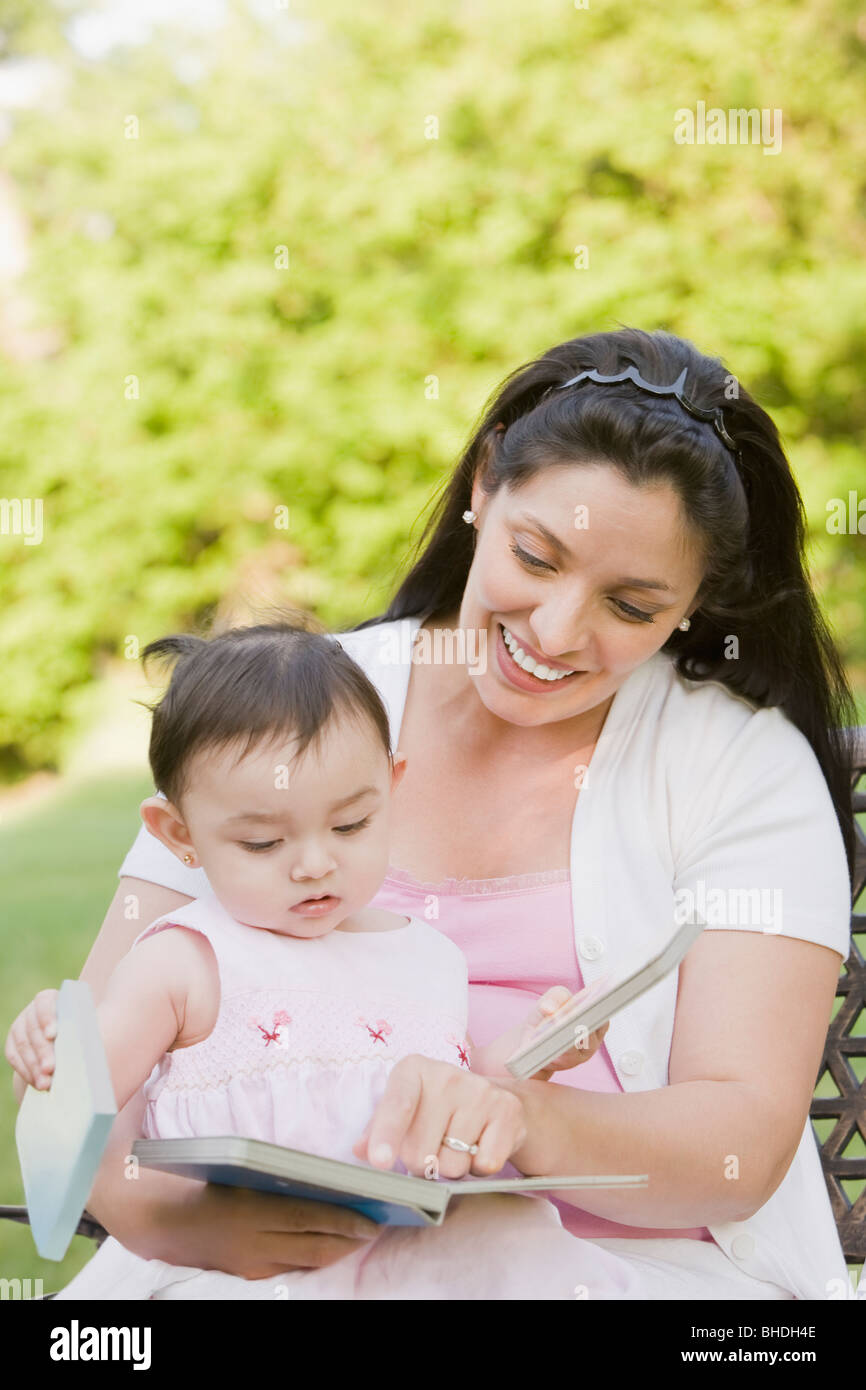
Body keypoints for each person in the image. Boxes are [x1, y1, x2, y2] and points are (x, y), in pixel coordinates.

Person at [7, 325, 857, 1299]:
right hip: (259, 1265)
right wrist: (172, 1218)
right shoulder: (290, 714)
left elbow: (735, 1146)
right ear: (484, 483)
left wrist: (516, 1114)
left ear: (694, 602)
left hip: (612, 1268)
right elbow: (90, 1066)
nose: (553, 631)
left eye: (628, 607)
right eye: (534, 557)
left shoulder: (738, 767)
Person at [9, 621, 622, 1300]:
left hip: (397, 1255)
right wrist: (49, 1054)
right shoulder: (189, 961)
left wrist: (528, 1053)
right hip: (229, 1263)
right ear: (179, 835)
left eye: (350, 825)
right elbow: (73, 1111)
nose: (314, 863)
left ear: (391, 787)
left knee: (522, 1246)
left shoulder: (428, 958)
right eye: (264, 842)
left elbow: (451, 1087)